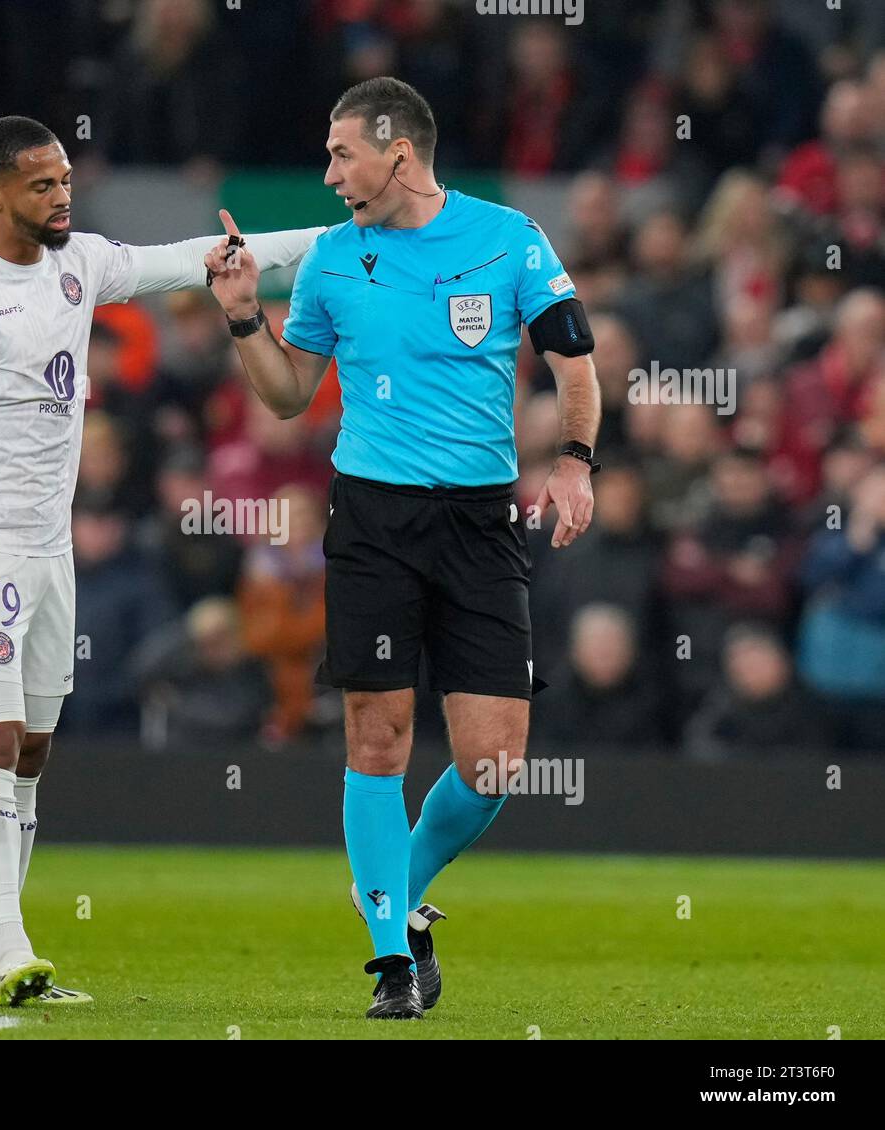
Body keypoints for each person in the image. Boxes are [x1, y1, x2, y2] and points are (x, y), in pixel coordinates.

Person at [0, 115, 324, 1009]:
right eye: (41, 185)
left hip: (49, 547)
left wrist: (335, 235)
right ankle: (7, 946)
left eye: (66, 180)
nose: (61, 197)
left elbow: (191, 254)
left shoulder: (80, 267)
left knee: (33, 750)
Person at [203, 77, 600, 1019]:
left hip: (480, 523)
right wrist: (240, 315)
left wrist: (577, 462)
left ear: (399, 152)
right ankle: (392, 960)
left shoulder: (510, 240)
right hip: (375, 520)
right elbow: (292, 393)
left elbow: (575, 365)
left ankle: (394, 889)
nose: (329, 172)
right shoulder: (333, 261)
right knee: (377, 734)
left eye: (341, 153)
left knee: (495, 765)